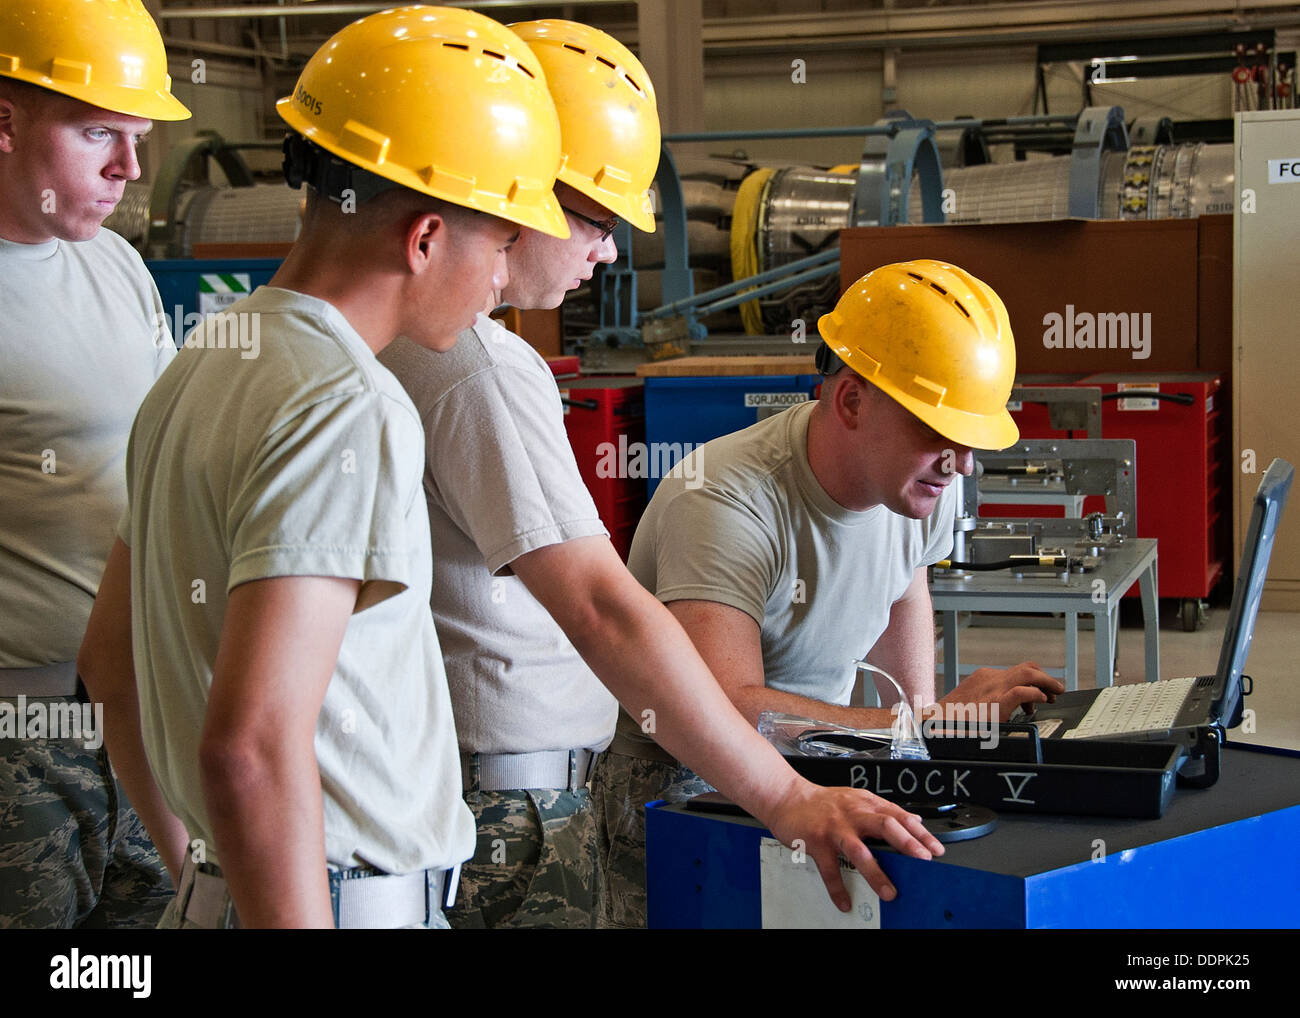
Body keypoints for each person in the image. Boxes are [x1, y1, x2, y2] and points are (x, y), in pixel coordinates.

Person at [381, 21, 946, 930]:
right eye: (599, 221)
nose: (608, 252)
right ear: (522, 184)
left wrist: (915, 725)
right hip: (510, 802)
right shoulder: (476, 365)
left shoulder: (339, 351)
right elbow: (604, 613)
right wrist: (788, 799)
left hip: (459, 784)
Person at [75, 6, 570, 929]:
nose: (505, 278)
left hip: (241, 890)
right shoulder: (351, 403)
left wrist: (199, 865)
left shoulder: (201, 363)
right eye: (502, 243)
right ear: (424, 239)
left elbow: (110, 664)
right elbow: (251, 747)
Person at [591, 259, 1065, 927]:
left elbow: (904, 599)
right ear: (849, 401)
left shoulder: (921, 484)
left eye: (969, 440)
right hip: (683, 784)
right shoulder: (726, 500)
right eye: (937, 432)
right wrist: (918, 729)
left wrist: (928, 744)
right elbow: (725, 708)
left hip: (817, 759)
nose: (959, 464)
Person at [0, 0, 190, 928]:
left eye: (138, 138)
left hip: (138, 712)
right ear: (4, 122)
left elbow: (161, 458)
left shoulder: (115, 264)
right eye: (98, 134)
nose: (130, 169)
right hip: (18, 742)